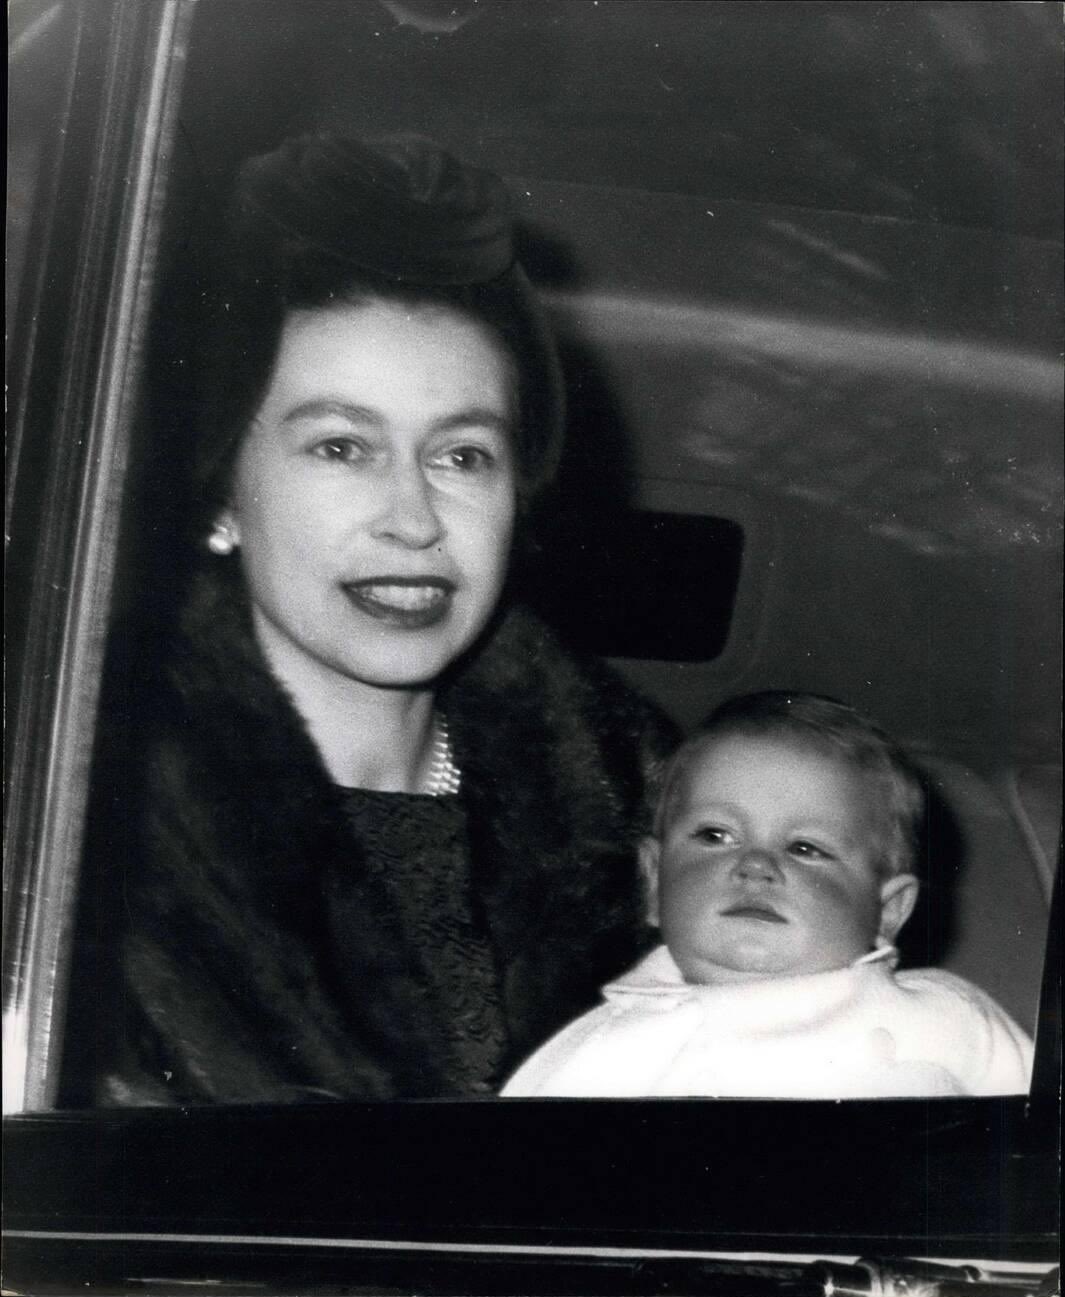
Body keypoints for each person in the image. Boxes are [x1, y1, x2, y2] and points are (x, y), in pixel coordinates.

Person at [64, 134, 672, 1105]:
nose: (414, 517)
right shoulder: (77, 835)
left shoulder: (659, 815)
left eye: (462, 455)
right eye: (342, 447)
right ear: (223, 492)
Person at [502, 691, 1034, 1098]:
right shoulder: (594, 1048)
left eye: (805, 848)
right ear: (653, 881)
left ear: (888, 911)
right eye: (715, 836)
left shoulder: (951, 1019)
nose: (755, 866)